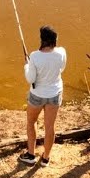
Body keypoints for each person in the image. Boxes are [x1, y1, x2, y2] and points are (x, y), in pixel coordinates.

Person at [19, 25, 66, 167]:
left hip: (37, 95)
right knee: (50, 126)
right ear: (54, 39)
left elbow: (30, 79)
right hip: (54, 94)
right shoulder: (61, 52)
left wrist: (27, 66)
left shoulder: (34, 56)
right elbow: (61, 68)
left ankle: (31, 155)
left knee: (31, 122)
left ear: (42, 39)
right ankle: (45, 158)